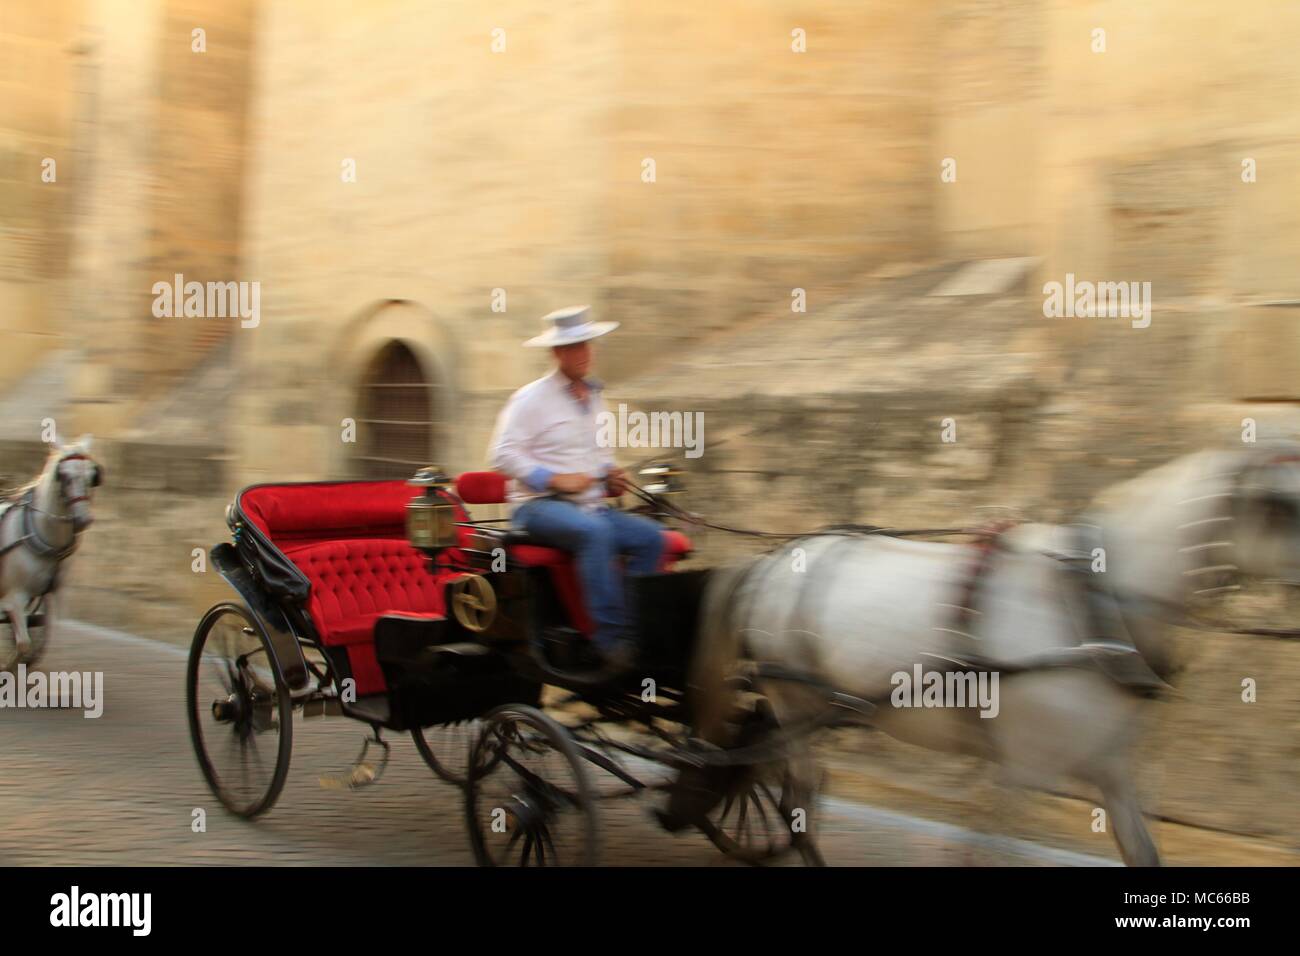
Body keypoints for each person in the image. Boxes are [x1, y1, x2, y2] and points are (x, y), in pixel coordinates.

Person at [488, 305, 664, 671]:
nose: (585, 354)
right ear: (557, 353)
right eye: (575, 347)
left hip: (589, 505)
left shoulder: (595, 397)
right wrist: (552, 479)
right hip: (537, 506)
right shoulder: (530, 398)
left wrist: (610, 473)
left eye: (588, 345)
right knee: (594, 533)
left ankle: (638, 630)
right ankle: (609, 642)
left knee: (653, 539)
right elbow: (502, 453)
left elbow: (597, 455)